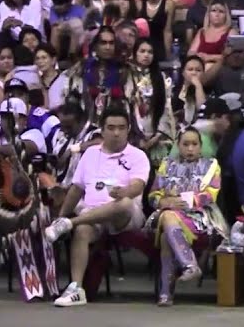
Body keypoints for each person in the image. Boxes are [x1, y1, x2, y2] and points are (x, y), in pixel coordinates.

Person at [45, 105, 148, 307]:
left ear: (128, 129)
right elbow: (76, 189)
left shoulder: (137, 155)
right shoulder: (90, 154)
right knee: (82, 230)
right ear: (102, 129)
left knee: (124, 203)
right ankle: (76, 288)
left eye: (121, 128)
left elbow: (137, 186)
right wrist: (61, 215)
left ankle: (70, 223)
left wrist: (124, 192)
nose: (116, 133)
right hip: (92, 214)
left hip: (124, 216)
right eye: (111, 127)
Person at [145, 127, 227, 306]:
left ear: (200, 146)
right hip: (168, 214)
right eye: (185, 144)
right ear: (178, 146)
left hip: (200, 217)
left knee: (167, 227)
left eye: (194, 144)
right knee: (167, 217)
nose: (190, 149)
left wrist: (181, 201)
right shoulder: (167, 164)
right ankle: (189, 265)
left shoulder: (211, 165)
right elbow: (152, 195)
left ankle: (167, 292)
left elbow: (210, 195)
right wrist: (164, 202)